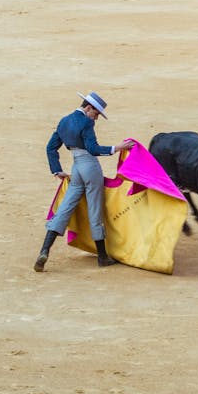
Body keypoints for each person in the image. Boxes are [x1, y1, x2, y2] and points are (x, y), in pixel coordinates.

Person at [37, 92, 134, 271]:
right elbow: (93, 149)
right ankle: (102, 257)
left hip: (76, 168)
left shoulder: (64, 121)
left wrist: (57, 170)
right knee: (95, 209)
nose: (96, 119)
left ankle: (44, 251)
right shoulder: (86, 122)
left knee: (65, 208)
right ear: (88, 107)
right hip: (90, 167)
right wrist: (117, 148)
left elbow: (51, 147)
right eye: (96, 114)